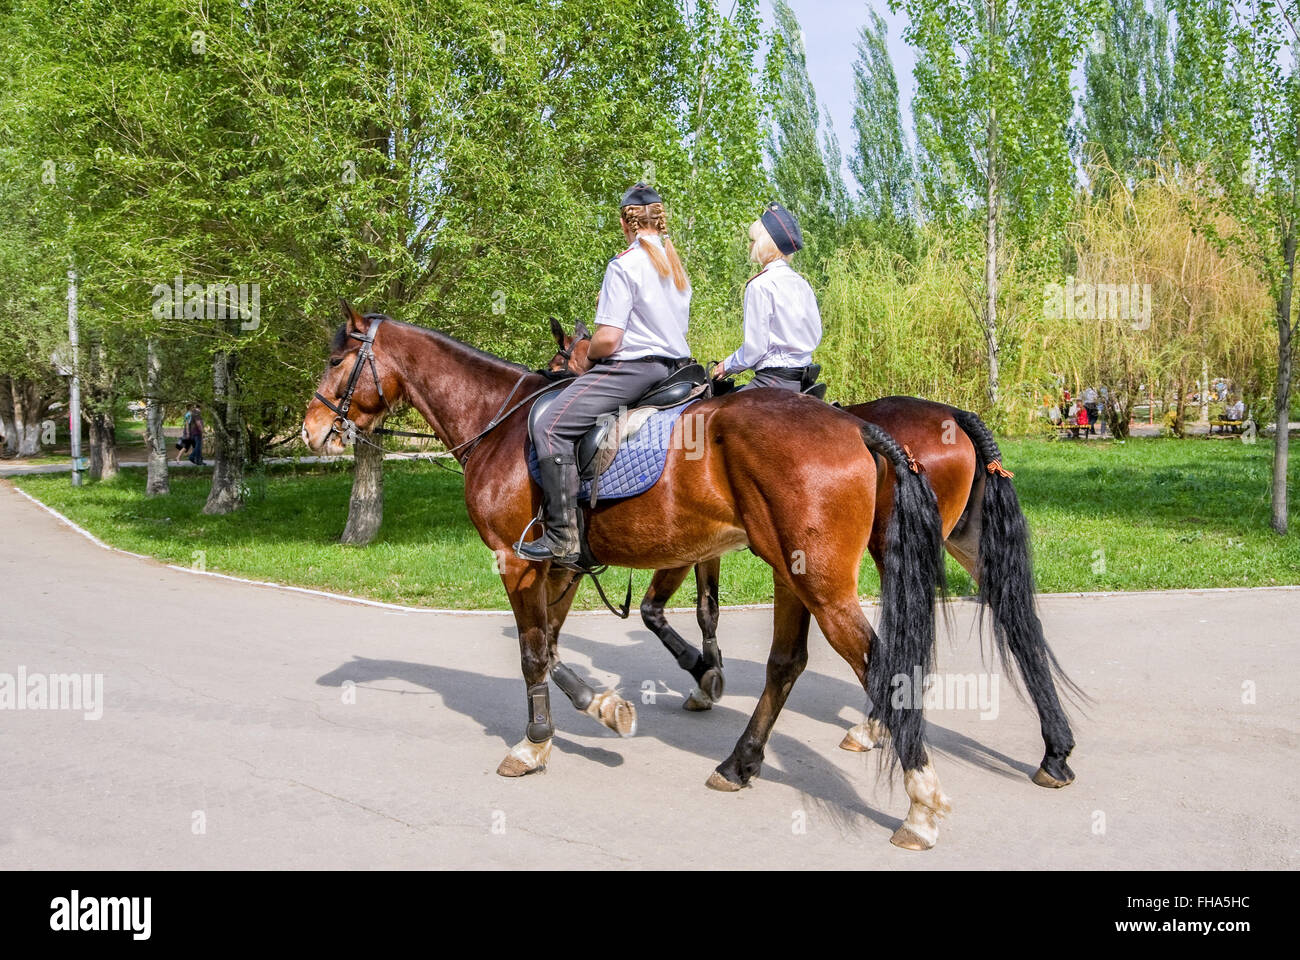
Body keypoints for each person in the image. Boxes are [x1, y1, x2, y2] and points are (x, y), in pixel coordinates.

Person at [517, 182, 692, 565]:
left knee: (550, 427)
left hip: (633, 370)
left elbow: (610, 340)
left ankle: (562, 537)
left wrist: (591, 347)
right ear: (660, 220)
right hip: (675, 371)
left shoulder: (624, 265)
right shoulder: (677, 269)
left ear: (624, 222)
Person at [711, 202, 821, 392]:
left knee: (701, 418)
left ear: (764, 244)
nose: (750, 245)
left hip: (773, 382)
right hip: (803, 382)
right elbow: (816, 335)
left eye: (753, 240)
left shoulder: (760, 285)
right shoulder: (801, 283)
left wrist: (727, 365)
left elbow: (755, 349)